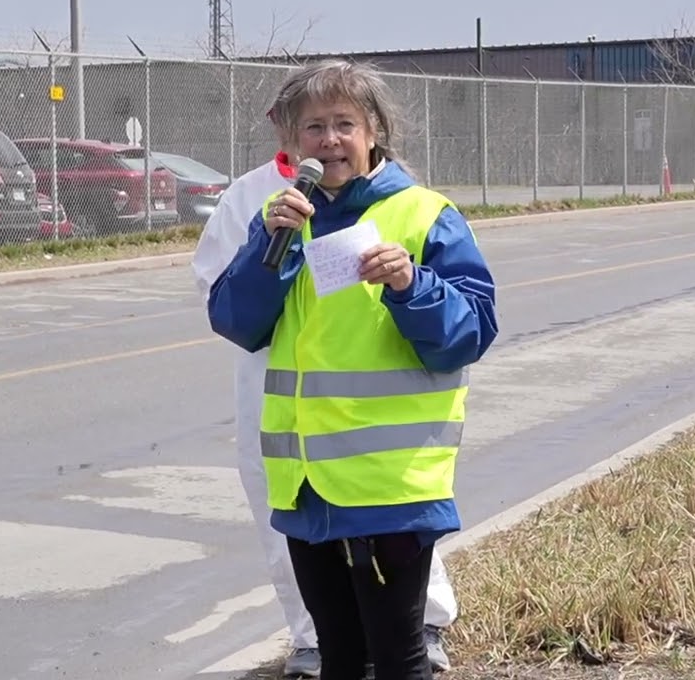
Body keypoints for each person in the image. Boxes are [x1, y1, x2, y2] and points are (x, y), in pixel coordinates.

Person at [205, 59, 498, 680]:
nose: (329, 141)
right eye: (313, 127)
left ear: (373, 134)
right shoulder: (278, 221)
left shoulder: (423, 215)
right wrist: (267, 249)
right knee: (336, 657)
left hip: (390, 488)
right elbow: (236, 322)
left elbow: (470, 332)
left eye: (344, 124)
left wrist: (411, 284)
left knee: (398, 657)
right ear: (291, 143)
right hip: (306, 485)